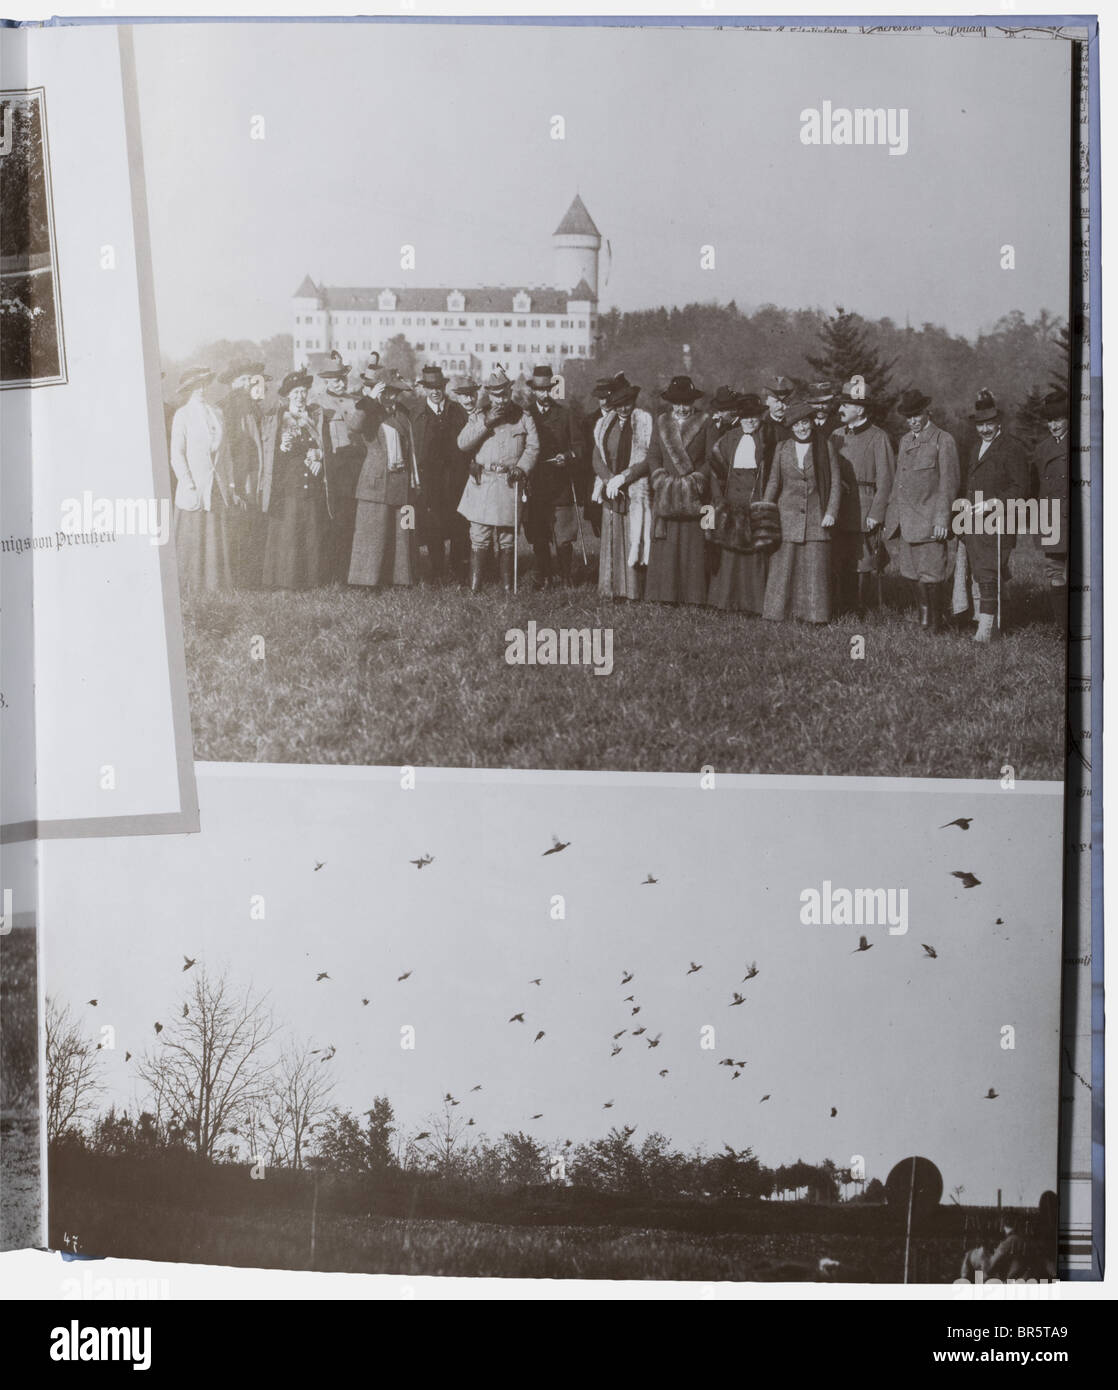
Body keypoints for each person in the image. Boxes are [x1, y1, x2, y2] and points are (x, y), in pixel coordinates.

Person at [883, 387, 960, 631]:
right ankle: (923, 617)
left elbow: (949, 484)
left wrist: (942, 520)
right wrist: (891, 516)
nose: (913, 421)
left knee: (933, 573)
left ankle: (936, 622)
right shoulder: (905, 440)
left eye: (917, 415)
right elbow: (898, 482)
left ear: (927, 412)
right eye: (909, 417)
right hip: (906, 521)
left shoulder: (943, 440)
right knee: (911, 573)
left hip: (929, 520)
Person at [457, 367, 540, 593]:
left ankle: (506, 586)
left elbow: (533, 447)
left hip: (509, 483)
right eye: (495, 395)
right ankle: (475, 587)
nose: (500, 400)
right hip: (483, 482)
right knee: (479, 536)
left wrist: (522, 468)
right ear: (489, 395)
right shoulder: (479, 415)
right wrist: (485, 424)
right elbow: (463, 443)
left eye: (504, 394)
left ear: (510, 391)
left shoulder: (523, 417)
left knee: (507, 538)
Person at [960, 389, 1030, 642]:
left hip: (998, 521)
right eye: (980, 424)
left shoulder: (1012, 448)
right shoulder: (975, 447)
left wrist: (992, 503)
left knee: (989, 571)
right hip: (974, 521)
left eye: (989, 424)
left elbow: (1021, 488)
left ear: (998, 422)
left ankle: (986, 630)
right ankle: (992, 620)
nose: (985, 429)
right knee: (981, 572)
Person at [762, 399, 840, 624]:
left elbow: (835, 482)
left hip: (817, 517)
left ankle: (815, 616)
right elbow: (773, 483)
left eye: (805, 423)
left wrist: (831, 512)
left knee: (814, 571)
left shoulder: (825, 447)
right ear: (791, 427)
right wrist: (766, 513)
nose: (802, 428)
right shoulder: (782, 448)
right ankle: (778, 614)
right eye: (797, 424)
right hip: (786, 517)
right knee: (784, 568)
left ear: (811, 423)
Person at [260, 369, 334, 590]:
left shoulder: (315, 418)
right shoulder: (279, 419)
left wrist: (320, 457)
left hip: (311, 484)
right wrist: (282, 447)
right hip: (288, 485)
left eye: (303, 392)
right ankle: (286, 582)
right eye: (296, 392)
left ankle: (311, 581)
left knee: (311, 532)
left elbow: (327, 447)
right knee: (288, 534)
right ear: (288, 396)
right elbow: (271, 455)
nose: (301, 396)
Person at [347, 368, 419, 589]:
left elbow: (411, 450)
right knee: (371, 534)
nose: (390, 397)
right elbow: (354, 425)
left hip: (400, 480)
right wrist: (368, 399)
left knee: (401, 534)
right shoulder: (370, 411)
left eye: (394, 393)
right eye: (386, 392)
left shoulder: (403, 415)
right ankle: (364, 582)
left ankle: (399, 580)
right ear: (379, 392)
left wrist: (415, 480)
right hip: (374, 482)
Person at [829, 375, 895, 614]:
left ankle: (861, 611)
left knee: (863, 562)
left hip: (865, 510)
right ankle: (842, 608)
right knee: (841, 559)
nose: (840, 409)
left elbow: (887, 481)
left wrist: (877, 513)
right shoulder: (836, 435)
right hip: (839, 508)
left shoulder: (879, 437)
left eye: (845, 405)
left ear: (860, 408)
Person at [646, 375, 712, 606]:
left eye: (687, 403)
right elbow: (653, 455)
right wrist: (659, 478)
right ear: (671, 403)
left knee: (691, 543)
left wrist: (696, 480)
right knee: (667, 542)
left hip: (694, 492)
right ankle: (663, 594)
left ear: (693, 402)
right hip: (666, 490)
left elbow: (711, 458)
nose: (683, 408)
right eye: (678, 403)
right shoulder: (661, 422)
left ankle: (693, 596)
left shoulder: (705, 422)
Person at [169, 365, 235, 589]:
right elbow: (176, 454)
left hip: (215, 483)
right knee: (194, 533)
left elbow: (225, 453)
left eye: (204, 385)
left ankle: (215, 585)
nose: (201, 390)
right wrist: (187, 482)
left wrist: (230, 482)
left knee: (214, 533)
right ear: (188, 390)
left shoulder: (218, 413)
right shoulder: (183, 415)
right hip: (195, 485)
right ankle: (191, 586)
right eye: (196, 387)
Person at [706, 393, 772, 614]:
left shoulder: (770, 438)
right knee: (730, 553)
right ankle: (727, 601)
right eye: (746, 417)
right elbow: (716, 471)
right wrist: (719, 501)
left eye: (754, 416)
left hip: (757, 501)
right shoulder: (729, 438)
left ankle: (754, 604)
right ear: (739, 418)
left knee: (756, 553)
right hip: (732, 502)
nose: (751, 421)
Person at [591, 372, 653, 601]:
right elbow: (596, 456)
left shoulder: (644, 421)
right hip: (611, 489)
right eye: (619, 405)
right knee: (612, 538)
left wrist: (625, 477)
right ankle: (611, 590)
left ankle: (633, 592)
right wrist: (608, 479)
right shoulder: (604, 424)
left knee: (633, 536)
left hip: (634, 488)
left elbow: (649, 458)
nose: (624, 409)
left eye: (627, 404)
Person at [522, 363, 583, 588]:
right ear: (533, 391)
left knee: (564, 534)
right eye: (540, 390)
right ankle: (545, 575)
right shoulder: (526, 414)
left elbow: (580, 445)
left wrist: (567, 456)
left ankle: (566, 576)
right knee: (538, 533)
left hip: (560, 483)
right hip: (535, 482)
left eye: (548, 389)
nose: (544, 394)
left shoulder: (565, 414)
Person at [410, 364, 470, 584]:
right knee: (433, 525)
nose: (434, 392)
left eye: (438, 387)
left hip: (456, 479)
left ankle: (459, 570)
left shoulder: (457, 411)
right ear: (424, 388)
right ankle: (437, 571)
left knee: (458, 525)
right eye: (429, 387)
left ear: (444, 387)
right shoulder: (416, 413)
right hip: (429, 481)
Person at [315, 352, 365, 584]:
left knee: (355, 519)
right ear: (325, 380)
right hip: (335, 467)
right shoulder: (317, 403)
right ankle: (335, 572)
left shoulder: (355, 400)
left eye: (342, 377)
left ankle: (353, 571)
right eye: (335, 379)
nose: (340, 382)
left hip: (357, 465)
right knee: (336, 520)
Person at [219, 359, 270, 588]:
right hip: (237, 473)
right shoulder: (225, 407)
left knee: (254, 524)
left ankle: (253, 577)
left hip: (254, 471)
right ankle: (241, 578)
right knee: (238, 525)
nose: (244, 385)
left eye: (247, 380)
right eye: (240, 380)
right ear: (231, 384)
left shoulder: (255, 407)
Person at [1032, 388, 1070, 630]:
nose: (1054, 425)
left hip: (1076, 519)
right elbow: (1036, 487)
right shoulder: (1042, 448)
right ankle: (1061, 627)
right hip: (1052, 518)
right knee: (1054, 573)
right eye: (1050, 420)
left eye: (1058, 419)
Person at [759, 374, 795, 488]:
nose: (781, 406)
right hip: (767, 480)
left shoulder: (796, 425)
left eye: (785, 402)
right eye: (776, 402)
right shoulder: (761, 426)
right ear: (766, 402)